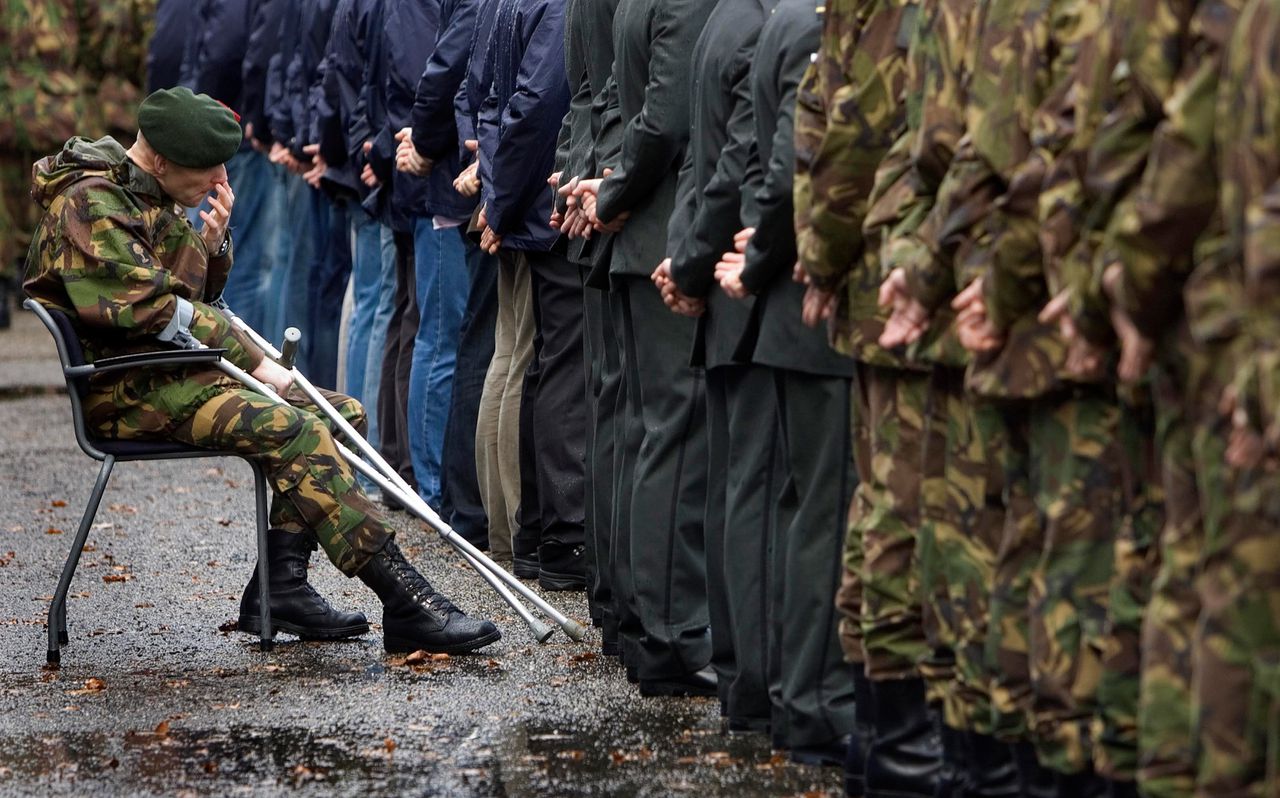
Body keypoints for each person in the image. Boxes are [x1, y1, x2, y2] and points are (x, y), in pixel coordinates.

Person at [23, 87, 500, 655]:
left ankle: (281, 589)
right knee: (294, 426)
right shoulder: (91, 203)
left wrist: (211, 240)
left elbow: (195, 297)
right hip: (127, 388)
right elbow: (154, 310)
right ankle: (404, 598)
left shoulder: (147, 190)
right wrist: (258, 363)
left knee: (341, 414)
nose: (222, 177)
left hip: (171, 373)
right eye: (209, 167)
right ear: (162, 160)